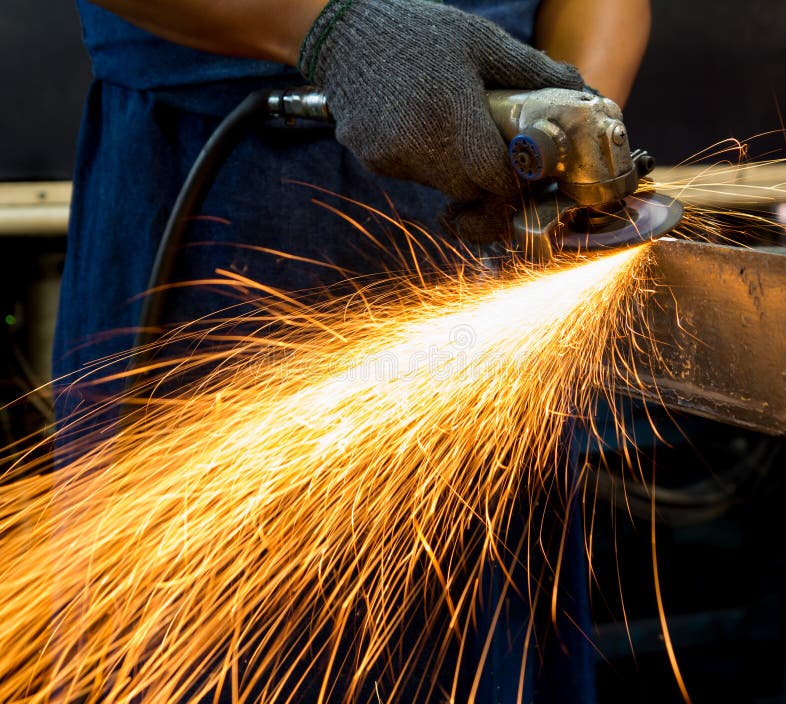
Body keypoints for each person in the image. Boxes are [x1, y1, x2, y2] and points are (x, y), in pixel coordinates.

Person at [54, 0, 651, 700]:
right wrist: (323, 28)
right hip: (223, 202)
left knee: (484, 645)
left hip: (482, 179)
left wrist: (561, 120)